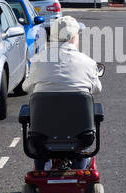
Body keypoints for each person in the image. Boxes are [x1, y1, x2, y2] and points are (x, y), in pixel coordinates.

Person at [23, 16, 102, 170]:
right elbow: (97, 89)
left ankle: (41, 167)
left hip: (42, 134)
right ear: (73, 37)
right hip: (80, 134)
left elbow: (27, 88)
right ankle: (79, 164)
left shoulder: (38, 61)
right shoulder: (88, 63)